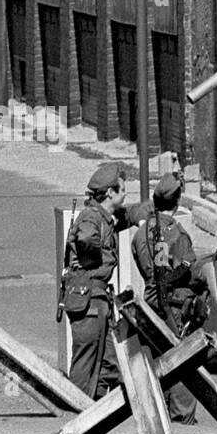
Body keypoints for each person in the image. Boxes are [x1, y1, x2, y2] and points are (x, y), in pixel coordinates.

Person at [64, 162, 146, 399]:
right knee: (86, 360)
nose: (125, 193)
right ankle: (74, 412)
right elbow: (87, 239)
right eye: (122, 189)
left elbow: (130, 213)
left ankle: (95, 409)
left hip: (97, 298)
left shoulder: (104, 216)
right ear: (110, 192)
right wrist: (94, 263)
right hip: (88, 296)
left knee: (108, 362)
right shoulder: (91, 217)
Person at [131, 172, 205, 424]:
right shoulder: (176, 232)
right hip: (173, 303)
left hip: (150, 302)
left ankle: (158, 414)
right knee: (182, 360)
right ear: (177, 201)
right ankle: (183, 418)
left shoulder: (141, 233)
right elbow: (190, 266)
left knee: (155, 359)